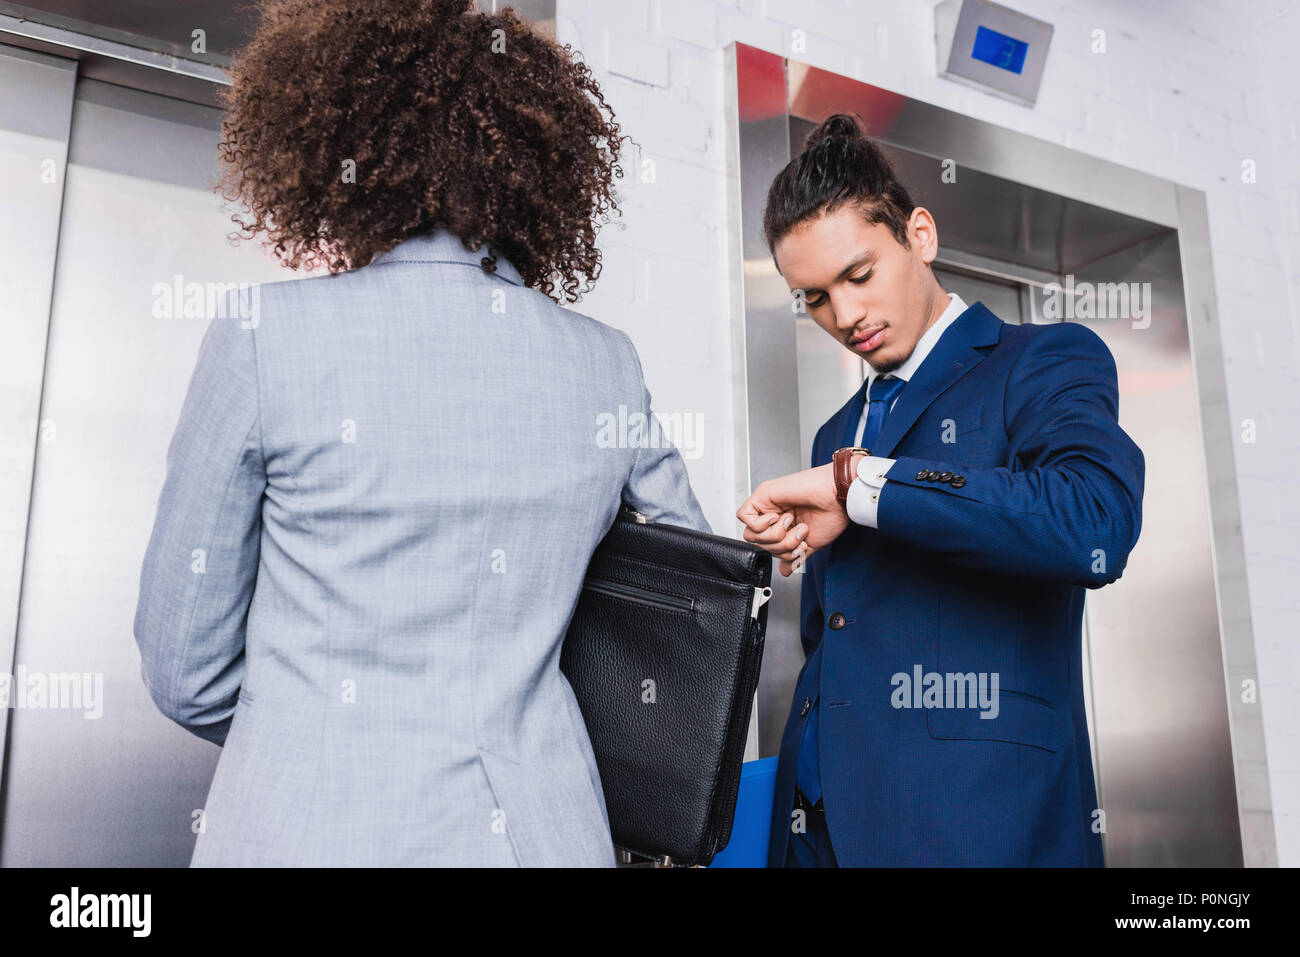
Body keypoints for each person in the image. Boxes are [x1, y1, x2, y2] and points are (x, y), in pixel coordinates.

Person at [132, 0, 709, 866]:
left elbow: (185, 670)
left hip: (310, 831)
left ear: (339, 155)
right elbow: (682, 605)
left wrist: (305, 730)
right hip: (541, 834)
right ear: (535, 169)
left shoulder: (261, 336)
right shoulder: (605, 364)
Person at [737, 113, 1144, 866]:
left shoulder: (1043, 359)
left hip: (978, 822)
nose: (846, 315)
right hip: (816, 830)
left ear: (919, 234)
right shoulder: (835, 431)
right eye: (816, 298)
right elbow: (838, 633)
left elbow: (1096, 519)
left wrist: (861, 485)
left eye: (858, 275)